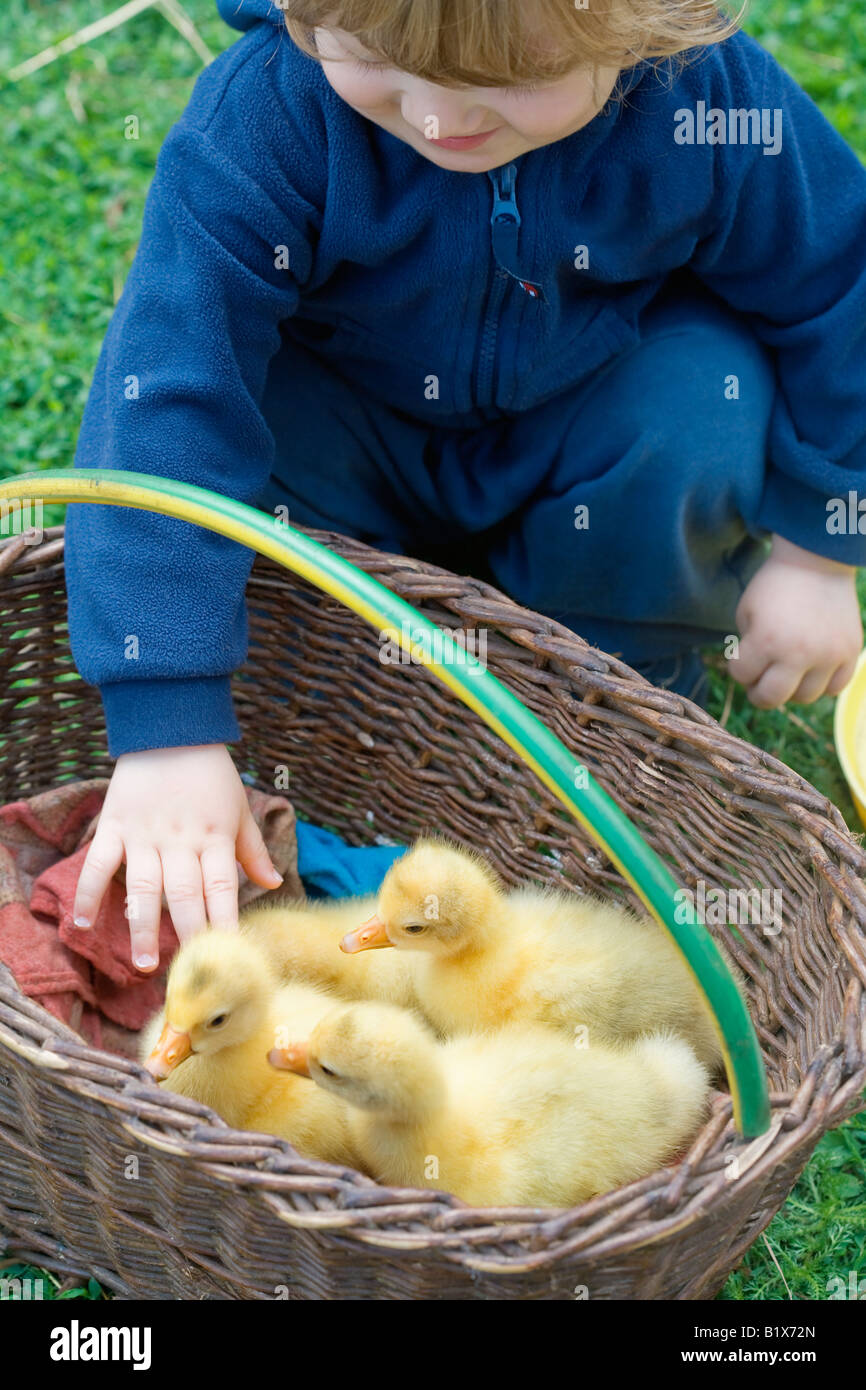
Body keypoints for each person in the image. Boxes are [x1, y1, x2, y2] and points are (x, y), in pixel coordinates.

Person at [66, 0, 866, 965]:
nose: (444, 120)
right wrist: (167, 724)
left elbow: (841, 282)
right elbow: (168, 396)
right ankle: (329, 682)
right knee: (221, 420)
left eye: (509, 81)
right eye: (383, 67)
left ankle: (614, 700)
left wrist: (820, 553)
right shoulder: (265, 120)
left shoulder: (701, 98)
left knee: (700, 401)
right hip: (353, 444)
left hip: (588, 429)